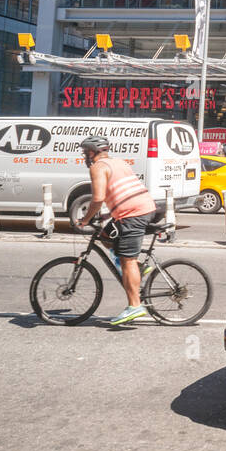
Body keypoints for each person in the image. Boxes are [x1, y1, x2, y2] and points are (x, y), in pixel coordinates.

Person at [75, 135, 156, 326]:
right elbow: (120, 191)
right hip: (142, 208)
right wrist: (107, 216)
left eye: (86, 152)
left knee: (127, 261)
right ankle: (139, 268)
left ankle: (135, 306)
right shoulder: (119, 162)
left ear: (93, 152)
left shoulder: (98, 167)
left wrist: (86, 219)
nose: (84, 156)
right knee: (105, 236)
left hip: (133, 214)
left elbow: (98, 198)